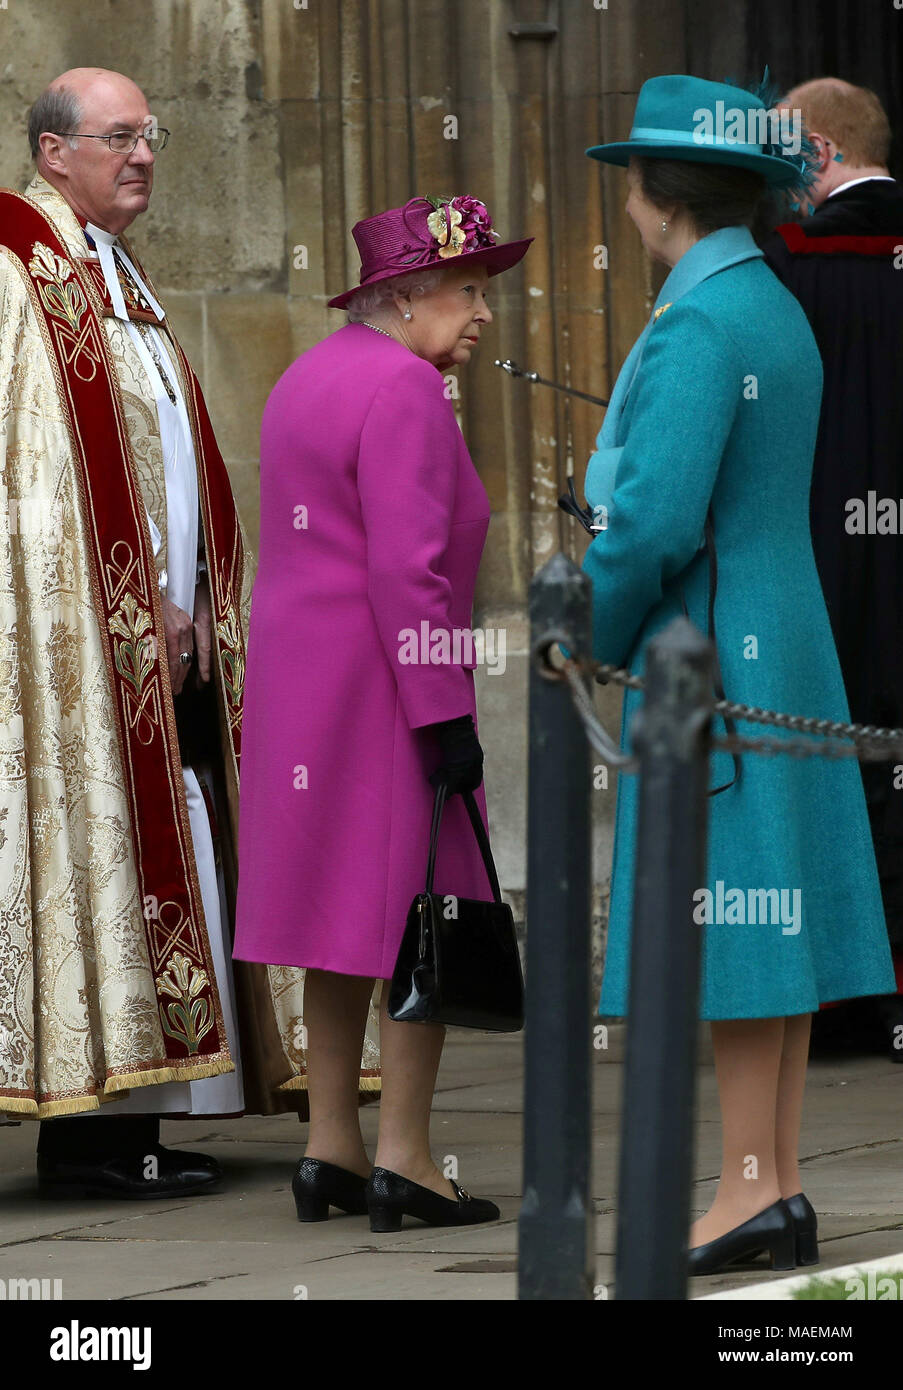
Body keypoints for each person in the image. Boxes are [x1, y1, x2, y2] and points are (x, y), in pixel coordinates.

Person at [581, 75, 896, 1275]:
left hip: (709, 641)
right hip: (780, 627)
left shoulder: (701, 320)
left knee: (732, 924)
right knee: (770, 924)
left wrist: (589, 631)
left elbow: (656, 519)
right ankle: (773, 1184)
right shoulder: (764, 301)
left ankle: (750, 1189)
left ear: (653, 197)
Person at [0, 68, 333, 1198]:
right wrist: (128, 591)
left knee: (179, 836)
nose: (144, 155)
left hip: (162, 634)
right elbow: (35, 483)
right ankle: (99, 1133)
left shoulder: (119, 280)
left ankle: (126, 1123)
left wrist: (188, 590)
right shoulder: (16, 270)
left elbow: (164, 468)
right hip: (74, 644)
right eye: (120, 137)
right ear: (55, 151)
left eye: (153, 136)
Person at [233, 195, 531, 1230]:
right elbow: (411, 572)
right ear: (406, 294)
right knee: (423, 915)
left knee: (337, 921)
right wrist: (446, 710)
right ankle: (406, 1158)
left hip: (305, 689)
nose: (484, 310)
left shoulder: (307, 374)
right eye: (468, 289)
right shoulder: (406, 388)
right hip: (389, 689)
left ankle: (330, 1149)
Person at [762, 79, 903, 1062]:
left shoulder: (790, 267)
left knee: (834, 756)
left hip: (828, 555)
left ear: (816, 152)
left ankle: (845, 991)